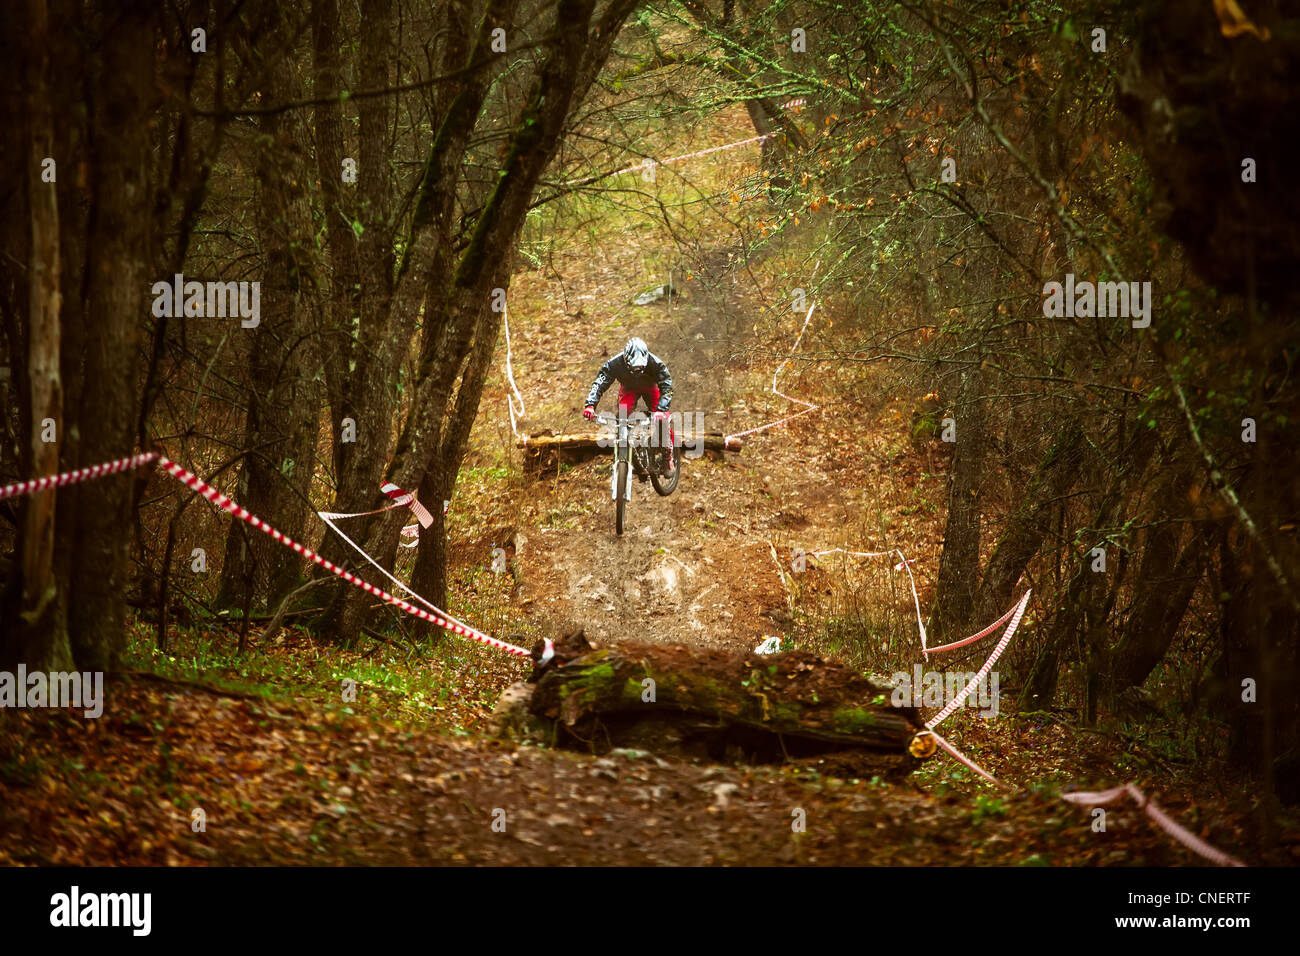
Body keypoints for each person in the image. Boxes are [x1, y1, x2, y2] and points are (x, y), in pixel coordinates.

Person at [583, 337, 675, 475]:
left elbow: (667, 387)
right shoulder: (614, 364)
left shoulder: (656, 363)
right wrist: (590, 405)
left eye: (640, 368)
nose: (637, 372)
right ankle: (622, 451)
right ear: (626, 361)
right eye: (634, 368)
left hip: (650, 387)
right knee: (622, 418)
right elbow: (599, 383)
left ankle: (667, 455)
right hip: (628, 388)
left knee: (662, 419)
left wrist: (661, 410)